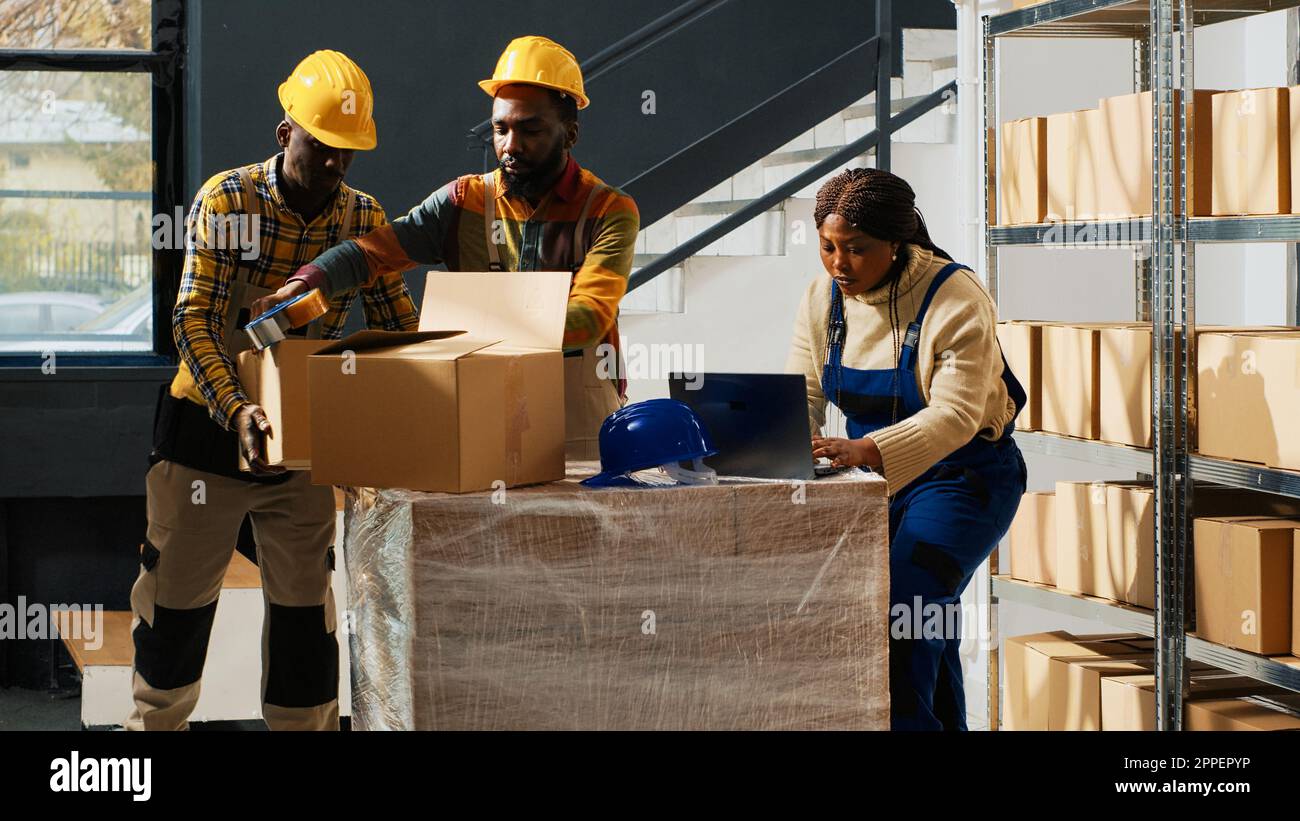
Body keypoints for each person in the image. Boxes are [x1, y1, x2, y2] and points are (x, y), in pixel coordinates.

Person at [128, 50, 418, 731]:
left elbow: (395, 327)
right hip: (204, 432)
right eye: (322, 146)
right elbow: (192, 320)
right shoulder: (229, 201)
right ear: (285, 132)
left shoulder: (362, 217)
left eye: (349, 152)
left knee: (302, 616)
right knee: (175, 607)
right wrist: (240, 409)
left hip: (302, 438)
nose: (335, 166)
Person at [253, 35, 640, 459]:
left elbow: (589, 317)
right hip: (483, 405)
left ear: (570, 134)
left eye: (531, 129)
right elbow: (371, 252)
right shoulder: (463, 202)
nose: (510, 146)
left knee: (572, 527)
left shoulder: (609, 210)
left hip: (577, 418)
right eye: (500, 129)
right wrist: (310, 281)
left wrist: (466, 328)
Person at [787, 167, 1027, 731]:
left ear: (897, 243)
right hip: (876, 481)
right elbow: (805, 389)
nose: (838, 264)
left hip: (967, 478)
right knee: (924, 629)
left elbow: (957, 415)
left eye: (856, 249)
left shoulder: (954, 295)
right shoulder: (825, 299)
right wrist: (787, 444)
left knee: (901, 619)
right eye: (827, 247)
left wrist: (865, 449)